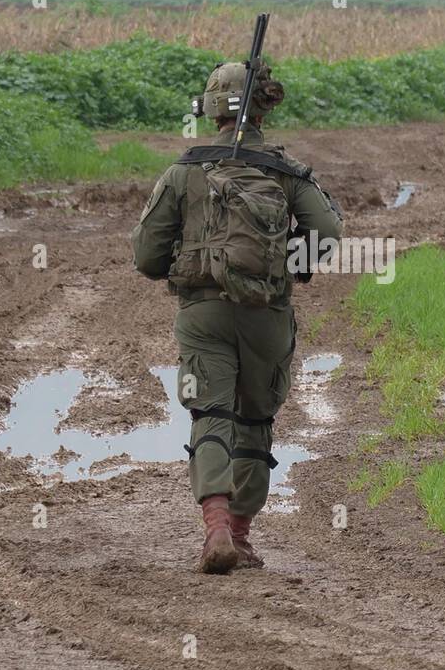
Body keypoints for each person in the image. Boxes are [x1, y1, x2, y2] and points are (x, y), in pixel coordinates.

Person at [131, 61, 343, 573]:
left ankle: (217, 529)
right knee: (254, 421)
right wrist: (282, 264)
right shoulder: (286, 171)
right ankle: (243, 538)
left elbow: (146, 257)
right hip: (267, 315)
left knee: (211, 415)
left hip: (203, 313)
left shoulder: (183, 171)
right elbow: (328, 234)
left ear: (210, 109)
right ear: (266, 106)